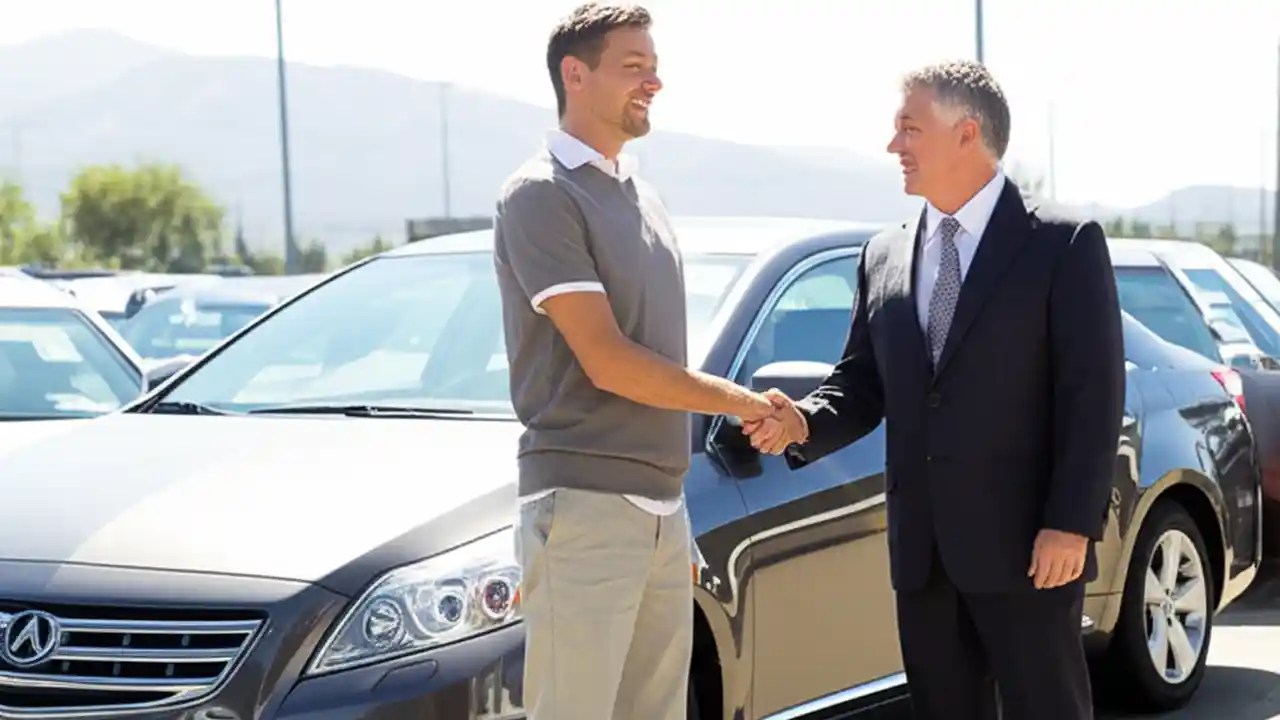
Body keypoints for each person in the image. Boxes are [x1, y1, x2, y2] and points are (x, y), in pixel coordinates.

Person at [746, 60, 1125, 720]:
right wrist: (801, 422)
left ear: (965, 132)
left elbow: (1092, 395)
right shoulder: (883, 255)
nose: (894, 146)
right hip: (923, 557)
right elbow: (863, 382)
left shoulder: (1062, 243)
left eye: (908, 128)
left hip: (1031, 552)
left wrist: (1070, 523)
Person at [491, 4, 779, 719]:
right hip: (585, 508)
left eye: (653, 66)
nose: (653, 81)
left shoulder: (641, 195)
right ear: (575, 74)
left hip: (658, 512)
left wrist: (665, 515)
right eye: (634, 66)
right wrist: (744, 404)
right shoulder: (542, 195)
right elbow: (609, 362)